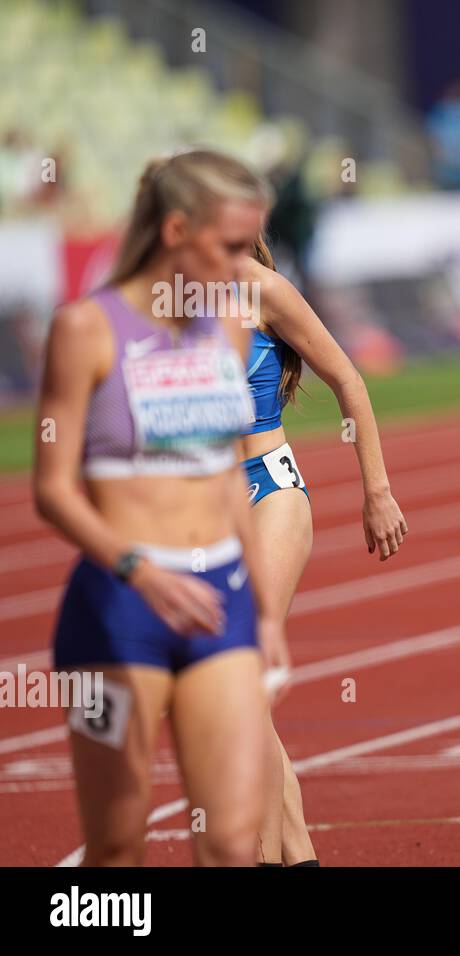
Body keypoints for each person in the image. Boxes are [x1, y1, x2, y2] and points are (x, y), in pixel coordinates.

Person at [34, 149, 287, 866]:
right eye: (232, 246)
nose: (247, 266)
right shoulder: (85, 328)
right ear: (177, 230)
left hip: (223, 606)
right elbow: (52, 490)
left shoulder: (230, 324)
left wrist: (266, 614)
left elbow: (226, 478)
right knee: (117, 846)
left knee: (234, 844)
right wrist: (140, 572)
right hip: (114, 613)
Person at [237, 235, 407, 867]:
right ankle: (299, 856)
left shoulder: (261, 289)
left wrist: (378, 492)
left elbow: (347, 379)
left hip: (267, 491)